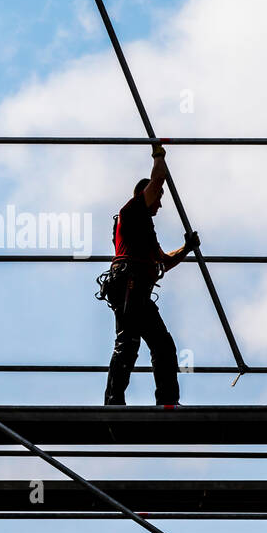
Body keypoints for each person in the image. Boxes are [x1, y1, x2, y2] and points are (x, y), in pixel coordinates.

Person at [98, 144, 199, 405]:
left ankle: (167, 400)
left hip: (137, 287)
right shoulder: (131, 211)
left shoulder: (145, 229)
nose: (161, 204)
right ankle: (113, 402)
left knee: (162, 345)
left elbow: (163, 262)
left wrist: (187, 248)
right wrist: (159, 155)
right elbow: (158, 178)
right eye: (159, 197)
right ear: (146, 194)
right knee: (128, 342)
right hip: (128, 283)